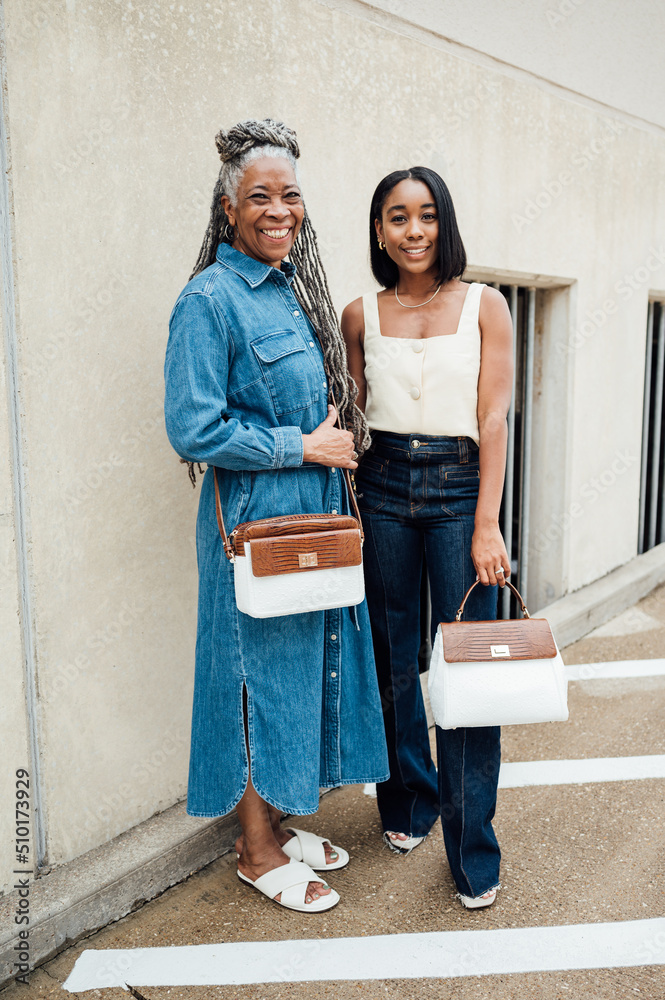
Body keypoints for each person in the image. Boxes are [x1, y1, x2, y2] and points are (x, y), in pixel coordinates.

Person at [164, 119, 388, 914]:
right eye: (259, 196)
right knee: (255, 680)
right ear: (228, 210)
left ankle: (281, 821)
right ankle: (255, 850)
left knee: (303, 669)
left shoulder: (291, 288)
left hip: (309, 515)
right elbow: (193, 428)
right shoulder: (208, 301)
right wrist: (304, 447)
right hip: (253, 526)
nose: (278, 210)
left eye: (290, 195)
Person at [341, 166, 513, 909]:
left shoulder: (484, 305)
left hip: (456, 487)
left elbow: (494, 420)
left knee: (468, 666)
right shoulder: (359, 314)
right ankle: (406, 800)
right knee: (389, 650)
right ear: (378, 230)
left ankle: (472, 845)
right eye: (396, 217)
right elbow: (351, 422)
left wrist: (485, 523)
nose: (413, 231)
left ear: (443, 221)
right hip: (378, 483)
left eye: (425, 215)